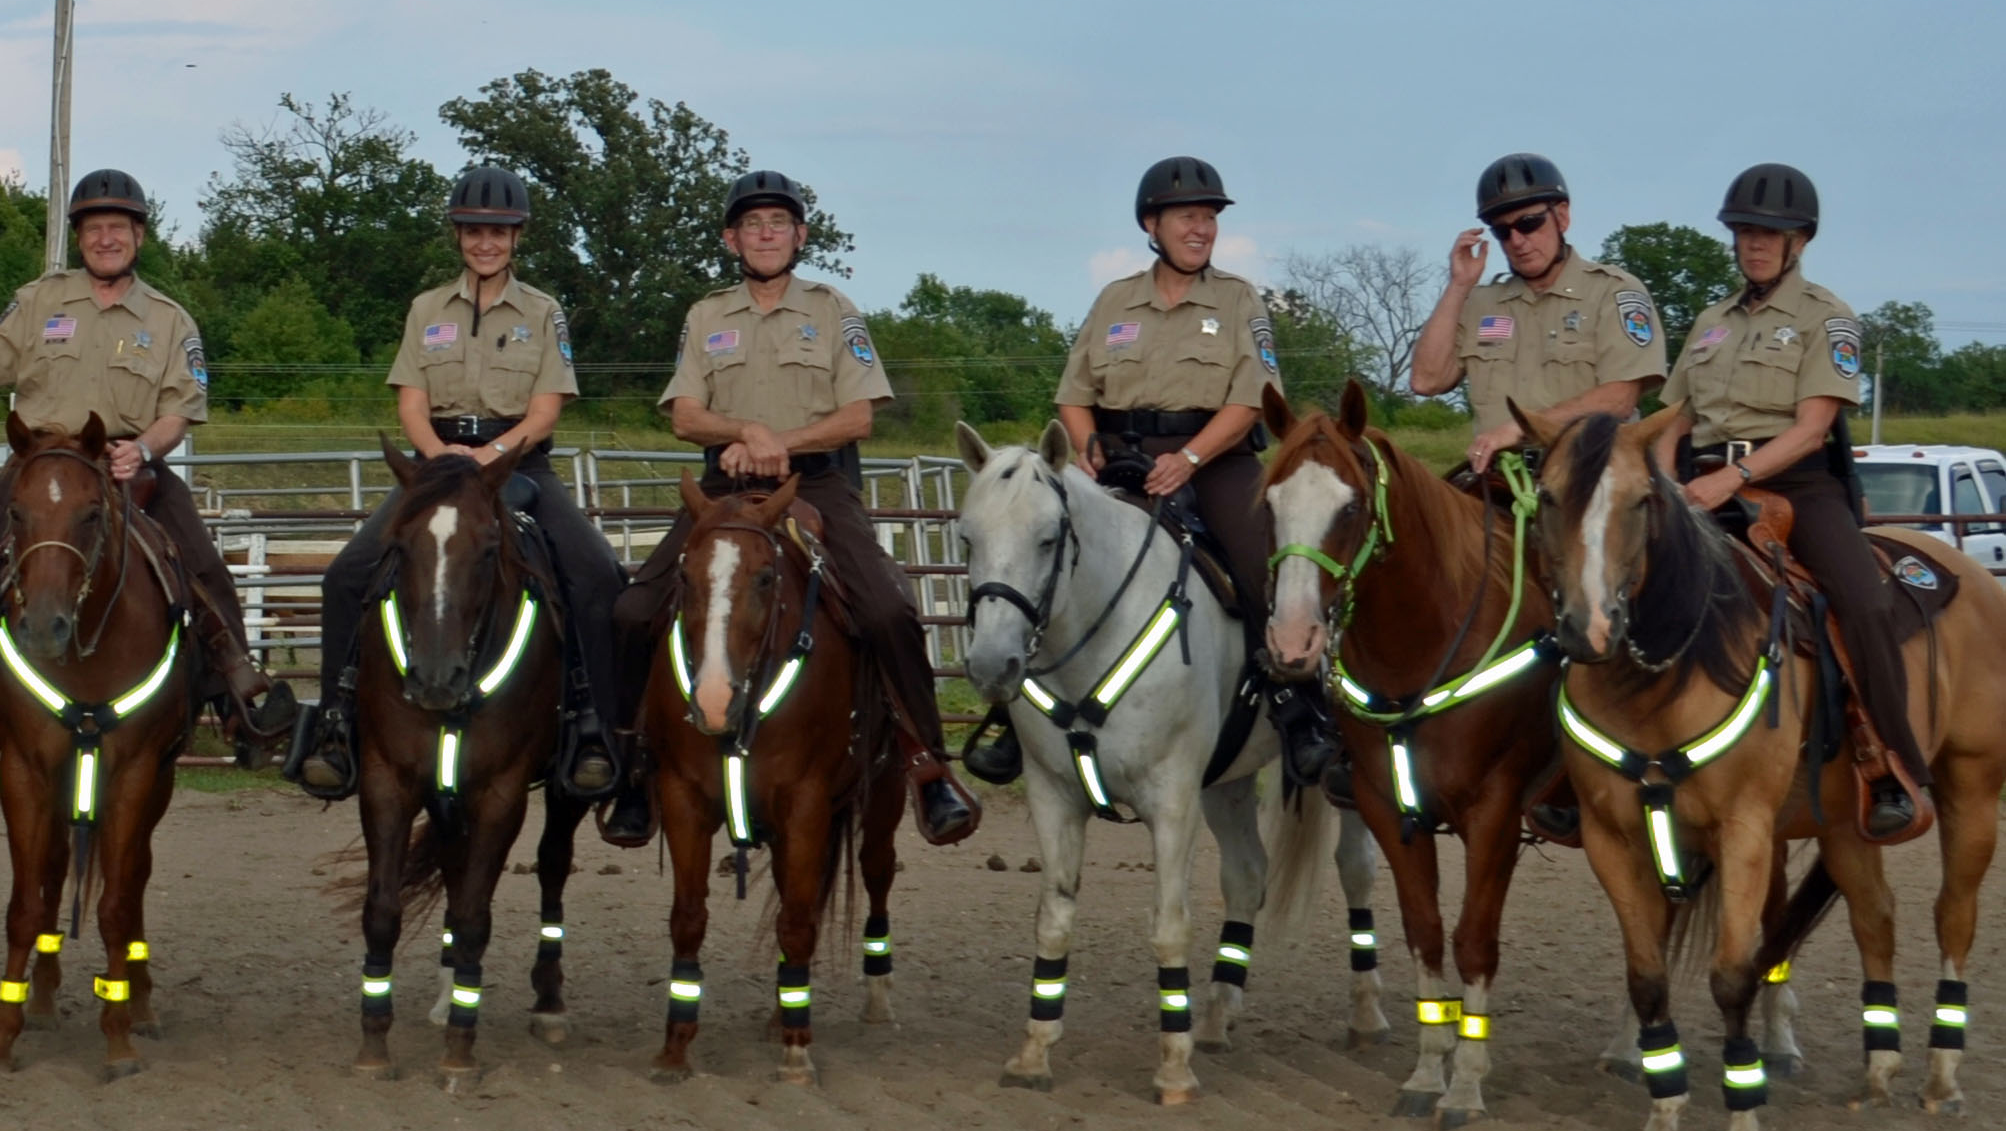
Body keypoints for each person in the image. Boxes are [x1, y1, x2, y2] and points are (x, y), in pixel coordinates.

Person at [0, 169, 297, 779]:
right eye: (94, 228)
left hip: (126, 466)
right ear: (79, 237)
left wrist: (143, 449)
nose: (106, 238)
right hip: (40, 466)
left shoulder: (170, 320)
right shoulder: (39, 299)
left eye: (118, 227)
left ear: (139, 236)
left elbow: (180, 410)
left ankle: (240, 692)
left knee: (202, 566)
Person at [625, 170, 979, 845]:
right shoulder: (707, 315)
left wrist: (775, 441)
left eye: (779, 223)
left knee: (886, 607)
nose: (765, 234)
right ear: (732, 237)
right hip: (723, 489)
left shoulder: (833, 309)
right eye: (752, 224)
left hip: (816, 485)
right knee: (634, 607)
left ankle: (928, 766)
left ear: (801, 235)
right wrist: (741, 436)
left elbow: (856, 417)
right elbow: (685, 415)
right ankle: (632, 761)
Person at [285, 162, 624, 805]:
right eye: (473, 231)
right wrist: (443, 458)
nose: (485, 243)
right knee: (348, 574)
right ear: (458, 235)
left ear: (518, 237)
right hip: (434, 466)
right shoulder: (425, 309)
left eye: (498, 232)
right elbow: (411, 403)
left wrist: (488, 457)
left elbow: (547, 409)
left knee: (597, 574)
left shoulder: (545, 313)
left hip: (519, 464)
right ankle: (335, 725)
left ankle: (593, 728)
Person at [1037, 156, 1342, 789]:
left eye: (1209, 217)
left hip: (1216, 462)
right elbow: (1073, 393)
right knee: (1041, 554)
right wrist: (1090, 450)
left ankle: (1301, 708)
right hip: (1120, 461)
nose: (1201, 229)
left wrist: (1191, 459)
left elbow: (1252, 395)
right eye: (1187, 217)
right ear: (1152, 223)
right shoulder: (1115, 299)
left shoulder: (1237, 299)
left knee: (1267, 567)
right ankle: (1020, 713)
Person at [1660, 163, 1927, 843]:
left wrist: (1735, 475)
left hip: (1797, 484)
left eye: (1769, 233)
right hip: (1698, 480)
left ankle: (1889, 762)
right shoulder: (1710, 320)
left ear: (1799, 240)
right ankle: (1584, 766)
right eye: (1745, 231)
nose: (1754, 243)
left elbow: (1812, 426)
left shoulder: (1827, 317)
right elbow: (1672, 420)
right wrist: (1665, 488)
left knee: (1862, 598)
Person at [1408, 152, 1667, 488]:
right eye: (1502, 231)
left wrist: (1520, 428)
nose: (1517, 240)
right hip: (1499, 481)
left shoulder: (1613, 292)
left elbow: (1619, 398)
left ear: (1561, 217)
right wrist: (1459, 285)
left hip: (1589, 478)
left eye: (1529, 223)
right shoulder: (1481, 302)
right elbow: (1426, 381)